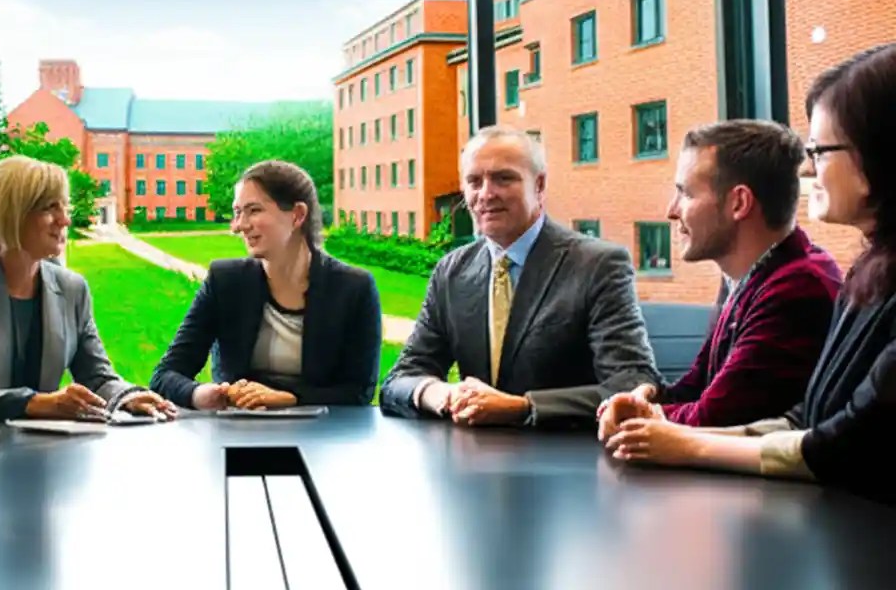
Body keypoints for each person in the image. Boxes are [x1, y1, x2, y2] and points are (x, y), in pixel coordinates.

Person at [604, 43, 896, 504]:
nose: (809, 167)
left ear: (877, 155)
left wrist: (680, 439)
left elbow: (843, 443)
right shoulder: (866, 275)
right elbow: (809, 418)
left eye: (821, 151)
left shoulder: (802, 286)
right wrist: (652, 410)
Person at [380, 125, 659, 427]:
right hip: (474, 452)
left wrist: (522, 407)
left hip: (568, 450)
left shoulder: (597, 265)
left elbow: (632, 382)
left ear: (539, 185)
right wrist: (441, 394)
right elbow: (400, 379)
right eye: (474, 181)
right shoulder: (452, 271)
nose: (486, 194)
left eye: (503, 178)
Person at [595, 120, 841, 435]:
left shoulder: (797, 289)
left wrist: (635, 417)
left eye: (685, 193)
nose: (672, 210)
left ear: (739, 203)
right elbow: (697, 387)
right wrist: (648, 397)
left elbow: (715, 417)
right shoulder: (749, 276)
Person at [0, 155, 174, 422]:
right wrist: (36, 403)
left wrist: (126, 396)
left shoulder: (72, 289)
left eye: (65, 207)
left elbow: (96, 376)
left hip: (42, 441)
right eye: (50, 208)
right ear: (13, 214)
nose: (65, 220)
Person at [151, 160, 381, 409]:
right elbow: (165, 375)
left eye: (253, 210)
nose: (239, 226)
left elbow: (359, 391)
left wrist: (290, 398)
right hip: (238, 424)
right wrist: (200, 394)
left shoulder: (354, 288)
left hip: (323, 429)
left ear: (297, 215)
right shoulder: (225, 281)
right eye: (238, 213)